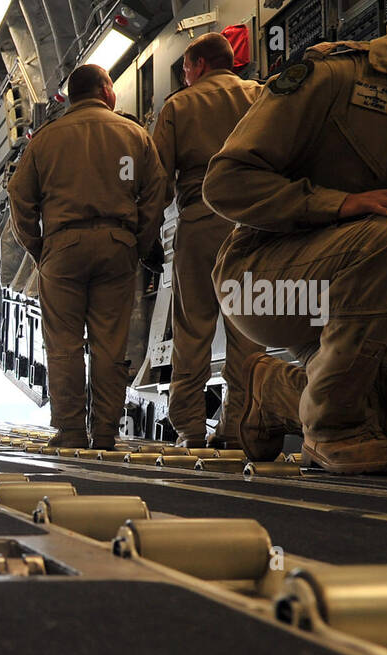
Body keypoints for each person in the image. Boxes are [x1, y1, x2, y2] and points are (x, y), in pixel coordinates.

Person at [204, 0, 387, 473]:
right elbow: (225, 182)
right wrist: (337, 204)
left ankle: (271, 391)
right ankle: (332, 426)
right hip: (262, 284)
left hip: (358, 298)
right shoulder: (335, 76)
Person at [8, 64, 167, 450]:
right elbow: (157, 192)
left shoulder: (45, 140)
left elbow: (19, 196)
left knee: (63, 344)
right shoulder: (134, 134)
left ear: (72, 96)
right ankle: (106, 433)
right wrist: (139, 243)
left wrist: (39, 248)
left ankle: (71, 430)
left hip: (62, 248)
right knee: (109, 344)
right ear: (105, 89)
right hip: (117, 245)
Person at [152, 32, 264, 449]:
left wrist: (149, 230)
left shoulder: (179, 105)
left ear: (198, 65)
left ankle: (190, 428)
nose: (184, 78)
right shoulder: (260, 95)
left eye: (184, 70)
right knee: (248, 329)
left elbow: (159, 178)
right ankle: (241, 425)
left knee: (193, 328)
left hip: (199, 222)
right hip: (252, 225)